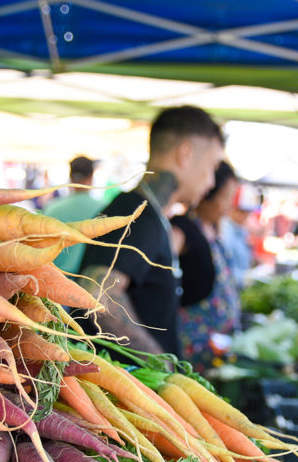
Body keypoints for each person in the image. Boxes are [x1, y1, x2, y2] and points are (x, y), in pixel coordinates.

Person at [77, 105, 224, 357]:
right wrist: (158, 361)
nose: (211, 182)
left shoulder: (149, 214)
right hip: (123, 385)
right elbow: (98, 294)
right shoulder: (137, 213)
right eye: (213, 166)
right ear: (185, 154)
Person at [173, 161, 243, 370]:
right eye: (226, 197)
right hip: (192, 345)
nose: (229, 205)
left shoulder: (214, 230)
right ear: (206, 193)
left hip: (218, 346)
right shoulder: (181, 229)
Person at [43, 156, 104, 274]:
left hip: (56, 277)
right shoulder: (106, 208)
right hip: (90, 281)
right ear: (91, 177)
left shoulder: (52, 208)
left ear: (70, 178)